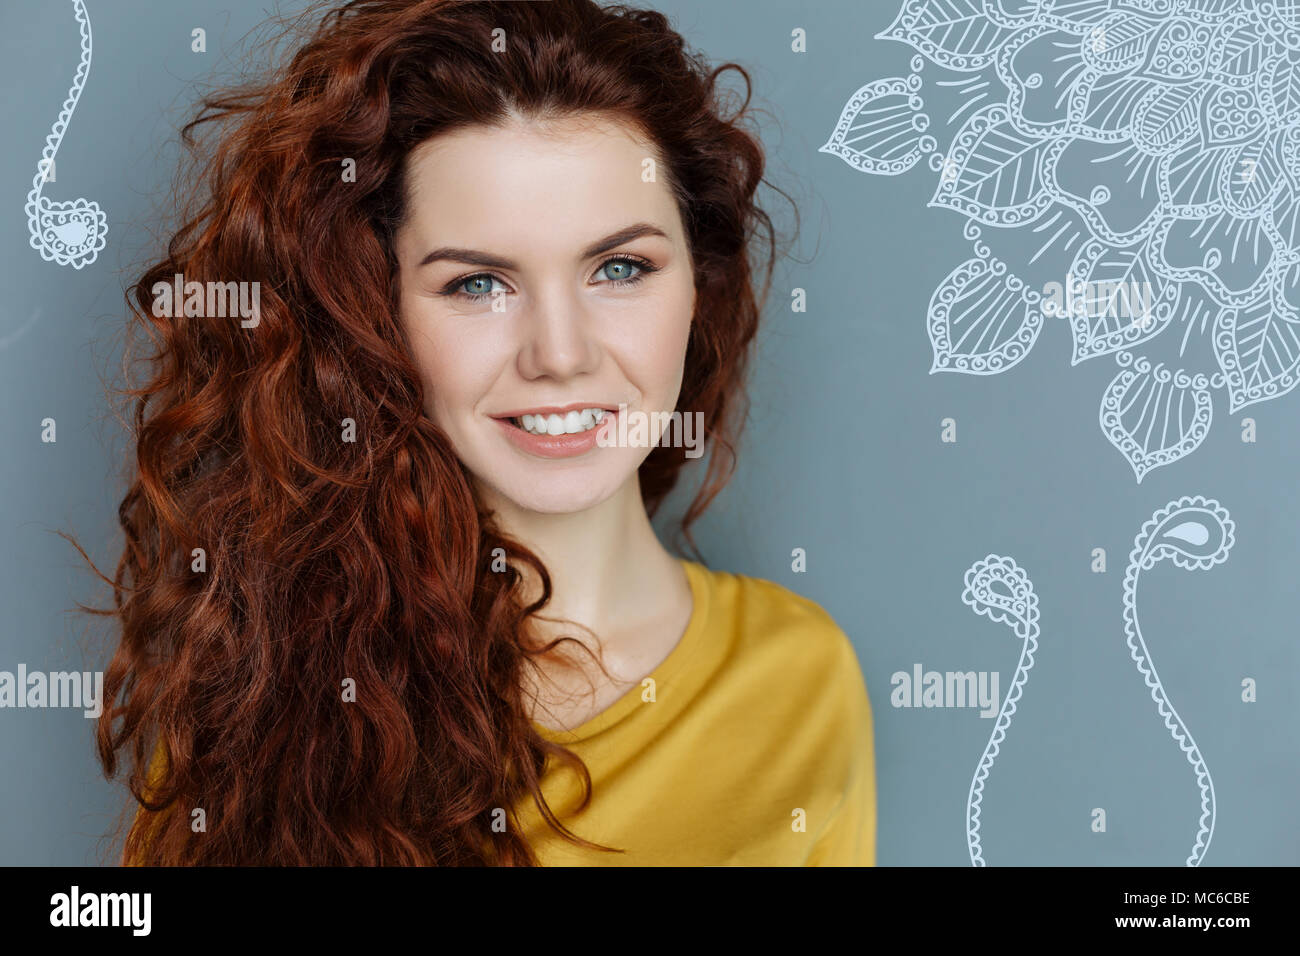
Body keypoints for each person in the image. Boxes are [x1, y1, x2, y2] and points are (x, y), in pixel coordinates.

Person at [84, 0, 875, 866]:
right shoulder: (270, 683)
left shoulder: (804, 680)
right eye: (477, 285)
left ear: (699, 285)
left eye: (620, 268)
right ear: (372, 316)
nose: (560, 355)